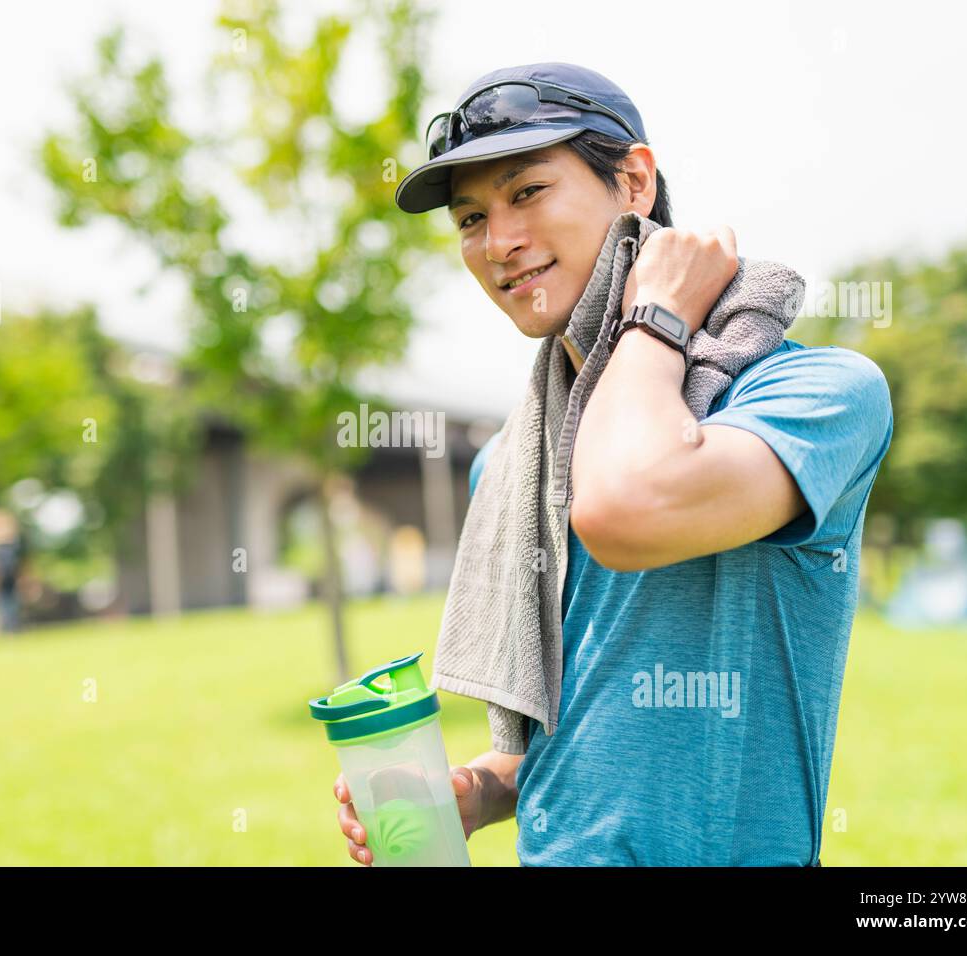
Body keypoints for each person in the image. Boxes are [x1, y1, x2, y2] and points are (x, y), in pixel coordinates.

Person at [336, 63, 893, 866]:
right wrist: (485, 791)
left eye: (527, 192)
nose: (499, 242)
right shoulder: (509, 463)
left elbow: (624, 509)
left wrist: (655, 315)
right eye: (469, 217)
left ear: (634, 179)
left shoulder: (817, 395)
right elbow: (574, 731)